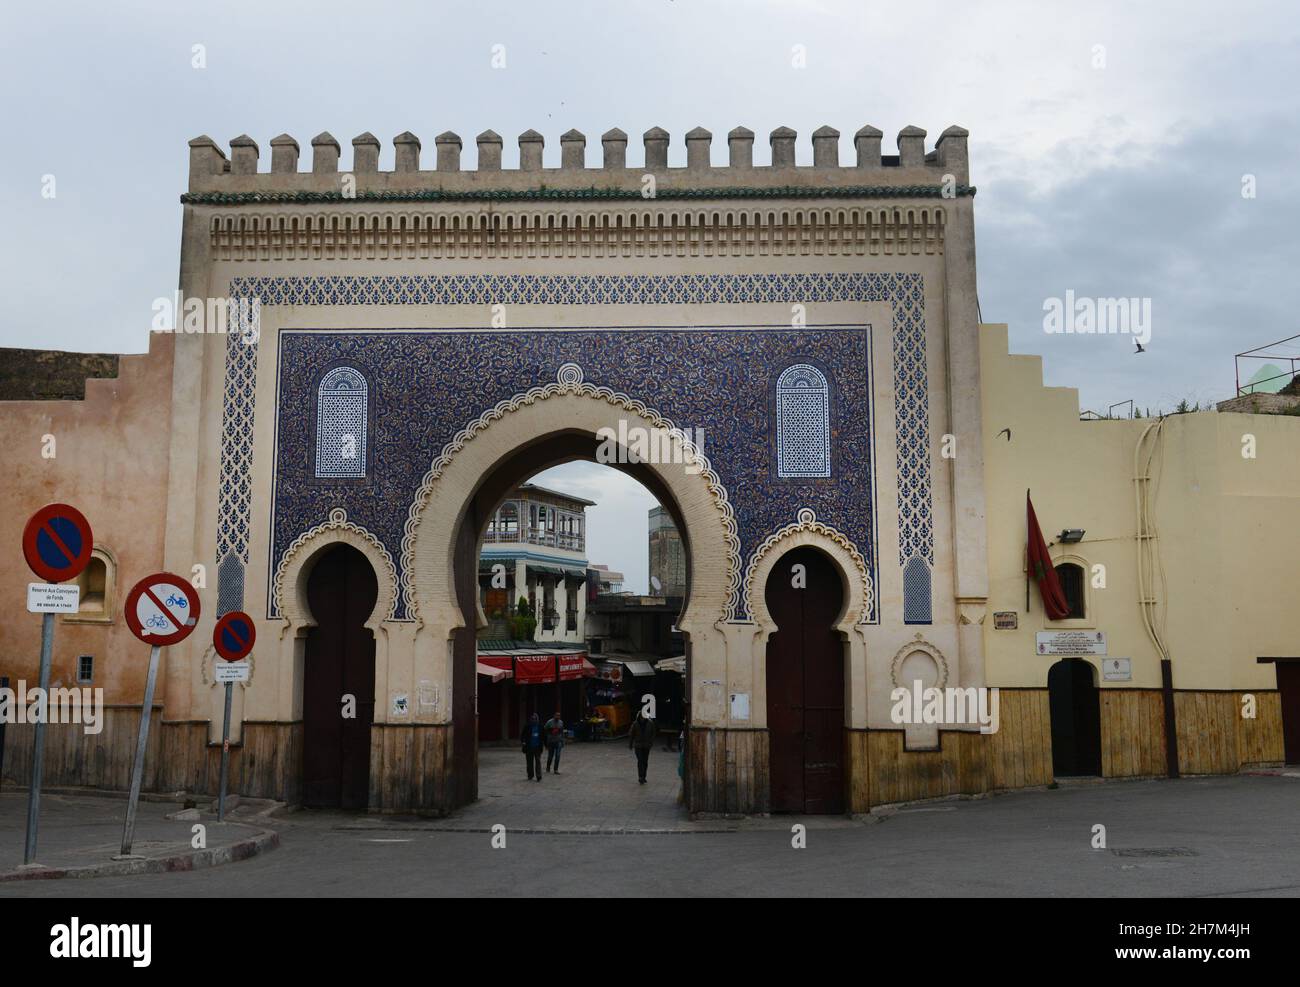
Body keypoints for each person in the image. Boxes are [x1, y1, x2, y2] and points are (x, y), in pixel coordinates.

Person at [629, 709, 656, 784]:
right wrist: (631, 744)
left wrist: (651, 742)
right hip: (638, 745)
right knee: (640, 760)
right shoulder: (635, 724)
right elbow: (631, 734)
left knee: (645, 761)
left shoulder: (650, 723)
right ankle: (640, 776)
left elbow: (653, 733)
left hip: (646, 745)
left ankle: (644, 776)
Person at [521, 713, 544, 782]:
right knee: (529, 762)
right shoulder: (527, 726)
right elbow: (522, 735)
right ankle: (530, 775)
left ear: (537, 719)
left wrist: (546, 745)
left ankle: (538, 776)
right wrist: (523, 742)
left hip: (537, 747)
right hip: (529, 747)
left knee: (538, 762)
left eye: (535, 719)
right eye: (532, 719)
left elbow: (544, 736)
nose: (534, 720)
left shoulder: (540, 726)